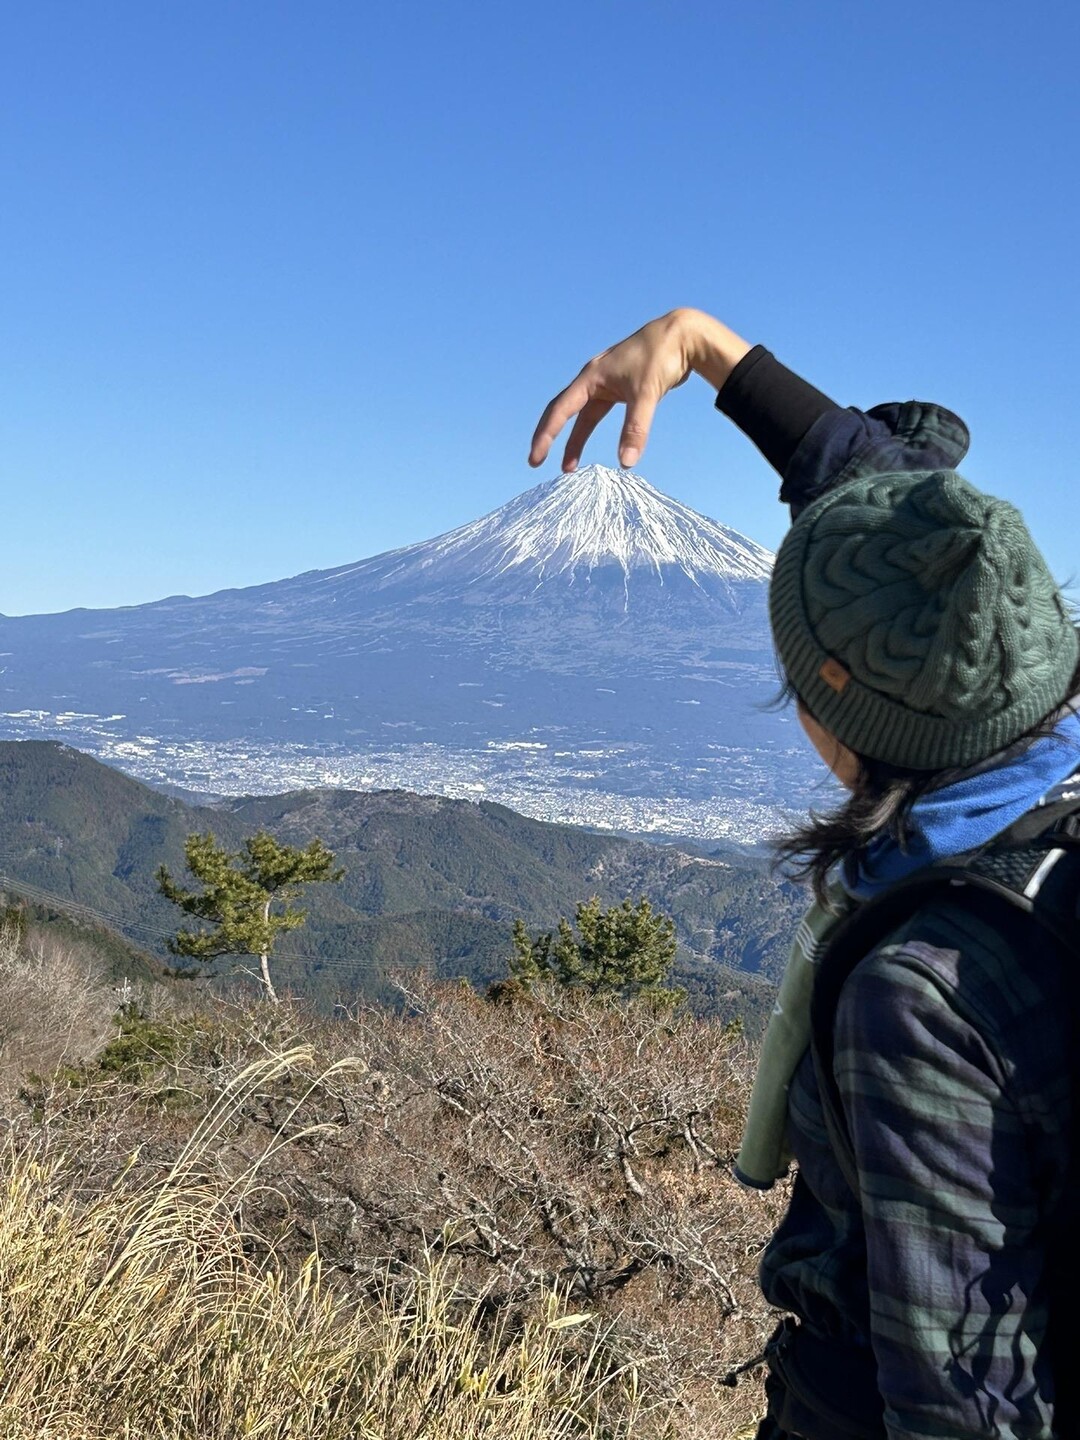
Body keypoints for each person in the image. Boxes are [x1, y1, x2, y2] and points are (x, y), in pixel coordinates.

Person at [530, 309, 1079, 1440]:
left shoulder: (923, 991)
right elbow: (921, 530)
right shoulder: (1026, 714)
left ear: (838, 703)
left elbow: (964, 1401)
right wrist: (704, 347)